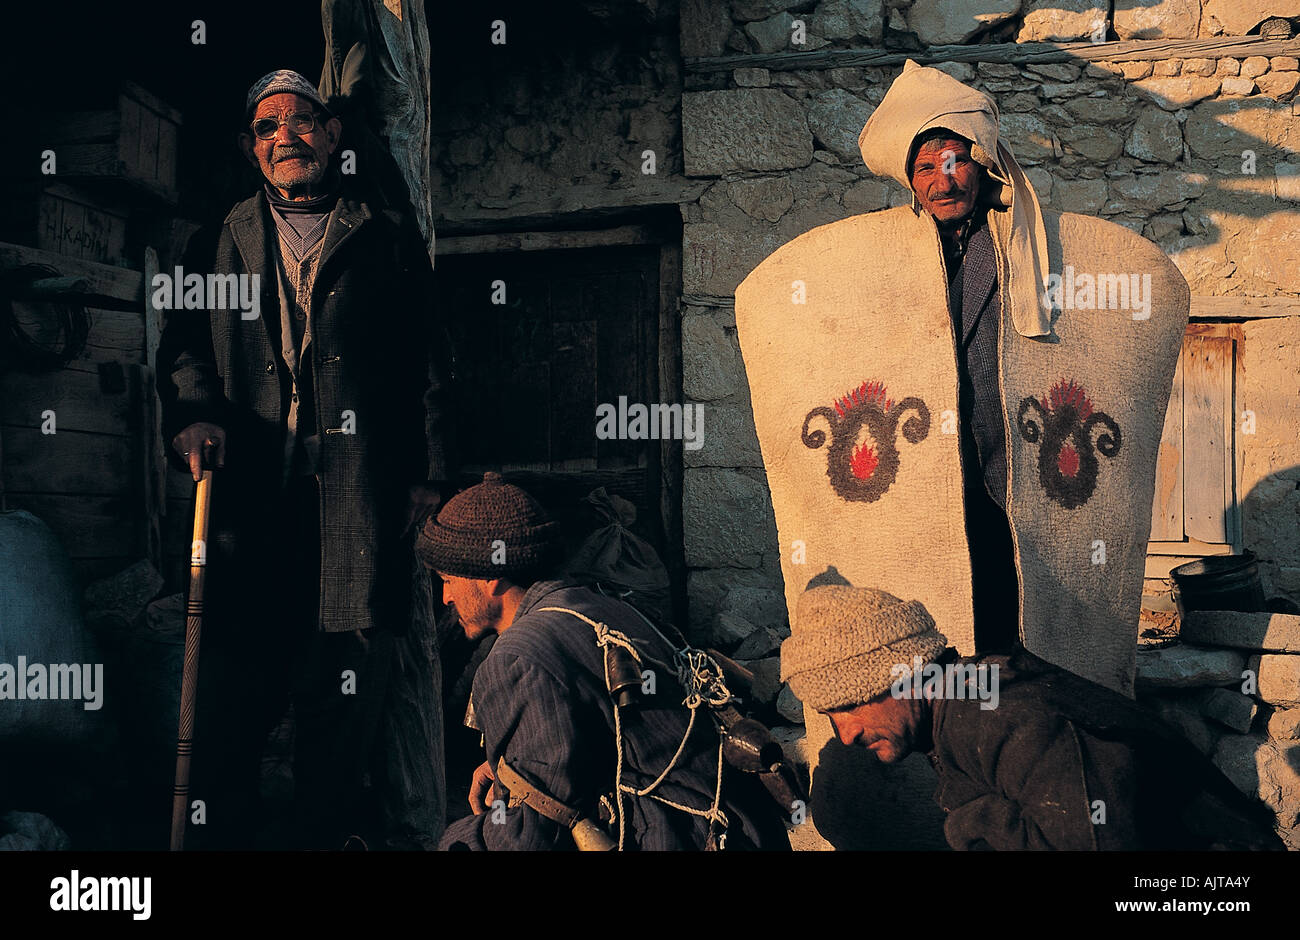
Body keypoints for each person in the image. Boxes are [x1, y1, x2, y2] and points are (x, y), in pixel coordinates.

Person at [735, 60, 1190, 697]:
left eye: (955, 162)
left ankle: (1034, 715)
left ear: (982, 165)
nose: (942, 181)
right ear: (910, 179)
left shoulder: (1029, 248)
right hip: (927, 471)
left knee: (1017, 597)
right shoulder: (886, 259)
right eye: (925, 168)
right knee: (944, 593)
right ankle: (943, 725)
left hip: (1012, 467)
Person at [156, 69, 453, 849]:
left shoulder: (383, 238)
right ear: (253, 150)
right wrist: (189, 419)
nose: (285, 135)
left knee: (345, 688)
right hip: (251, 503)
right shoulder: (216, 241)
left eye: (301, 120)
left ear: (332, 135)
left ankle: (325, 837)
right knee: (234, 693)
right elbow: (185, 348)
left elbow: (430, 362)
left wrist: (428, 472)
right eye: (266, 126)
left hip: (356, 498)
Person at [418, 472, 790, 851]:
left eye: (449, 579)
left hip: (688, 837)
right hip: (748, 829)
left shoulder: (519, 657)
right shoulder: (600, 604)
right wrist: (511, 773)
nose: (446, 597)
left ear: (491, 577)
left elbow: (532, 834)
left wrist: (455, 841)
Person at [781, 584, 1282, 851]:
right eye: (830, 716)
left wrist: (970, 819)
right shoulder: (963, 707)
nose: (844, 735)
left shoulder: (997, 714)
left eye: (849, 705)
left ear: (903, 675)